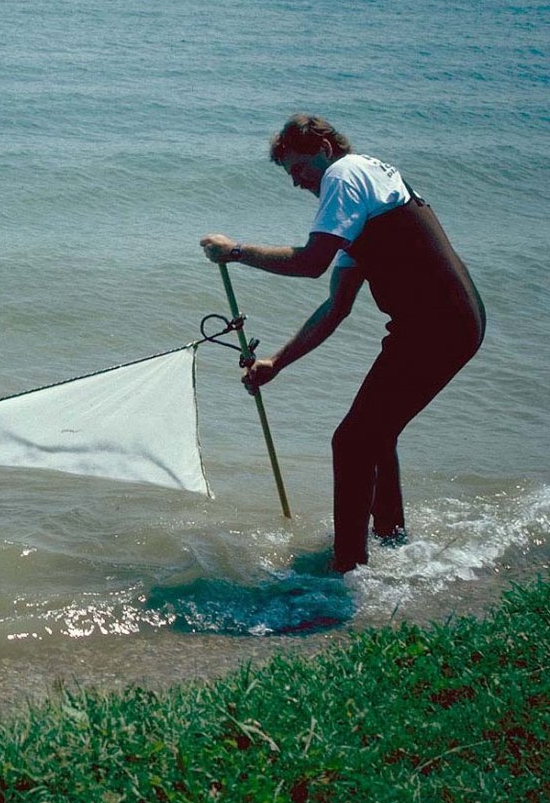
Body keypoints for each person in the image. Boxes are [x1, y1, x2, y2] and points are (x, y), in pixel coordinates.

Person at [201, 115, 484, 572]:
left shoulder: (346, 174)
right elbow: (336, 306)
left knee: (352, 441)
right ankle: (392, 541)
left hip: (440, 326)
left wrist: (237, 252)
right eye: (291, 175)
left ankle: (346, 569)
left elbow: (312, 263)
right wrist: (277, 362)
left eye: (299, 169)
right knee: (374, 433)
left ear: (324, 150)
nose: (297, 183)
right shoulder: (360, 201)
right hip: (437, 325)